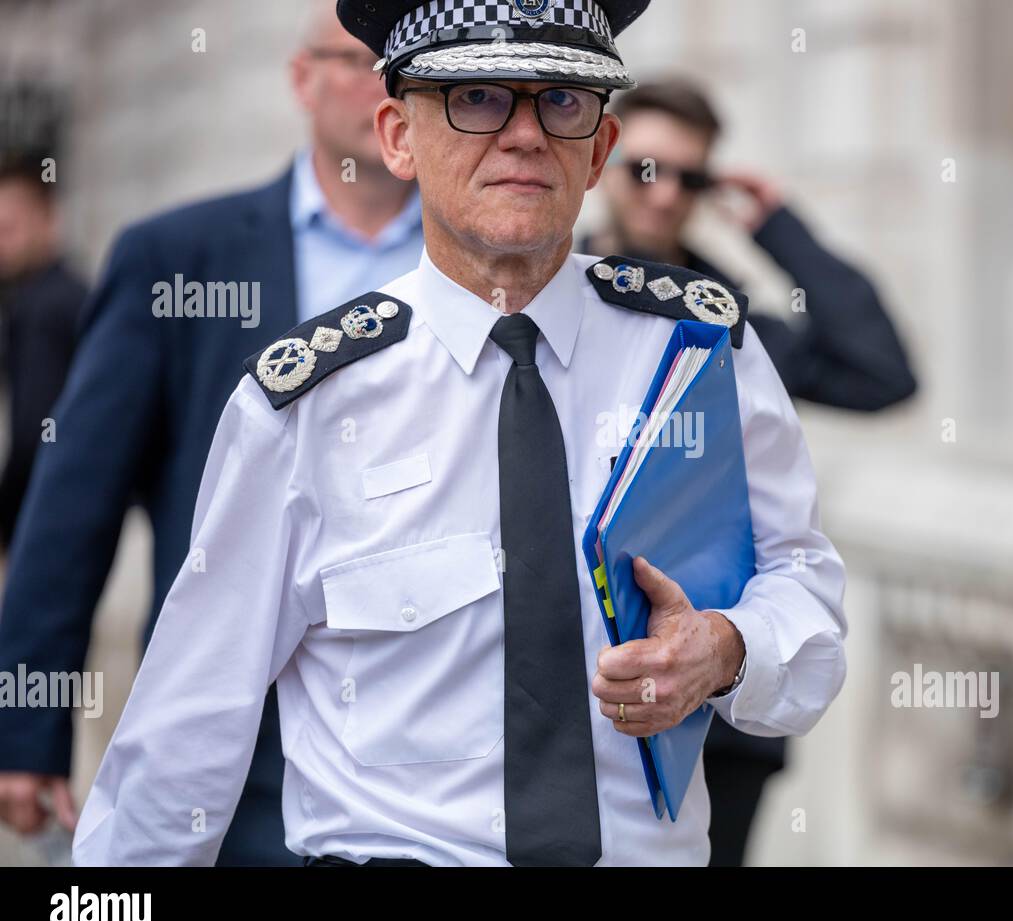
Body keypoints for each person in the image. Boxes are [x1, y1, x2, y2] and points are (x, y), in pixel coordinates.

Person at [70, 0, 848, 867]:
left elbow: (803, 584)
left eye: (561, 100)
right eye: (476, 96)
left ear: (599, 149)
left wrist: (728, 650)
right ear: (397, 136)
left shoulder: (699, 355)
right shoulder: (308, 404)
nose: (523, 135)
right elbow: (187, 728)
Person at [0, 0, 423, 865]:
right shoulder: (178, 257)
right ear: (301, 79)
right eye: (351, 59)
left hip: (426, 718)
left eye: (398, 63)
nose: (377, 83)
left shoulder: (483, 263)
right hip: (234, 714)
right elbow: (76, 495)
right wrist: (26, 724)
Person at [586, 77, 915, 866]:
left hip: (722, 702)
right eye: (645, 169)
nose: (665, 197)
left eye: (690, 178)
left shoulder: (730, 327)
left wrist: (779, 227)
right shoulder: (540, 298)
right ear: (603, 158)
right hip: (585, 704)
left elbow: (882, 372)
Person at [0, 159, 86, 550]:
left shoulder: (42, 307)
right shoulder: (72, 293)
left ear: (47, 220)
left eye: (9, 229)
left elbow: (33, 428)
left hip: (46, 510)